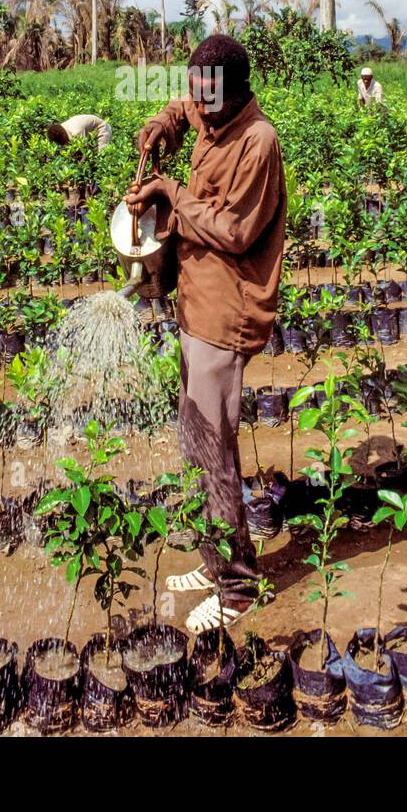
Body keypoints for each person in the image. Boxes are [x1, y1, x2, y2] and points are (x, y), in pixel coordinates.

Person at [126, 35, 286, 634]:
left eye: (210, 102)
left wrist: (171, 193)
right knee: (195, 435)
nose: (201, 109)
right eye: (197, 96)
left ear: (239, 91)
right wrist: (158, 128)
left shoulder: (257, 141)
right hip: (193, 298)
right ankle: (213, 556)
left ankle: (239, 584)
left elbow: (237, 230)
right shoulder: (203, 101)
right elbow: (175, 109)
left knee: (213, 441)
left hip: (228, 306)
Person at [46, 114, 111, 212]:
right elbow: (74, 153)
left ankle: (97, 196)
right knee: (81, 165)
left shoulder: (77, 131)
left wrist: (77, 168)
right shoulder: (62, 130)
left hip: (101, 130)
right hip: (89, 135)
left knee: (99, 162)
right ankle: (82, 197)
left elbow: (84, 154)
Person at [45, 113, 112, 148]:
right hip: (90, 132)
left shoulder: (76, 131)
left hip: (102, 128)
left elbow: (83, 150)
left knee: (101, 153)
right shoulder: (63, 126)